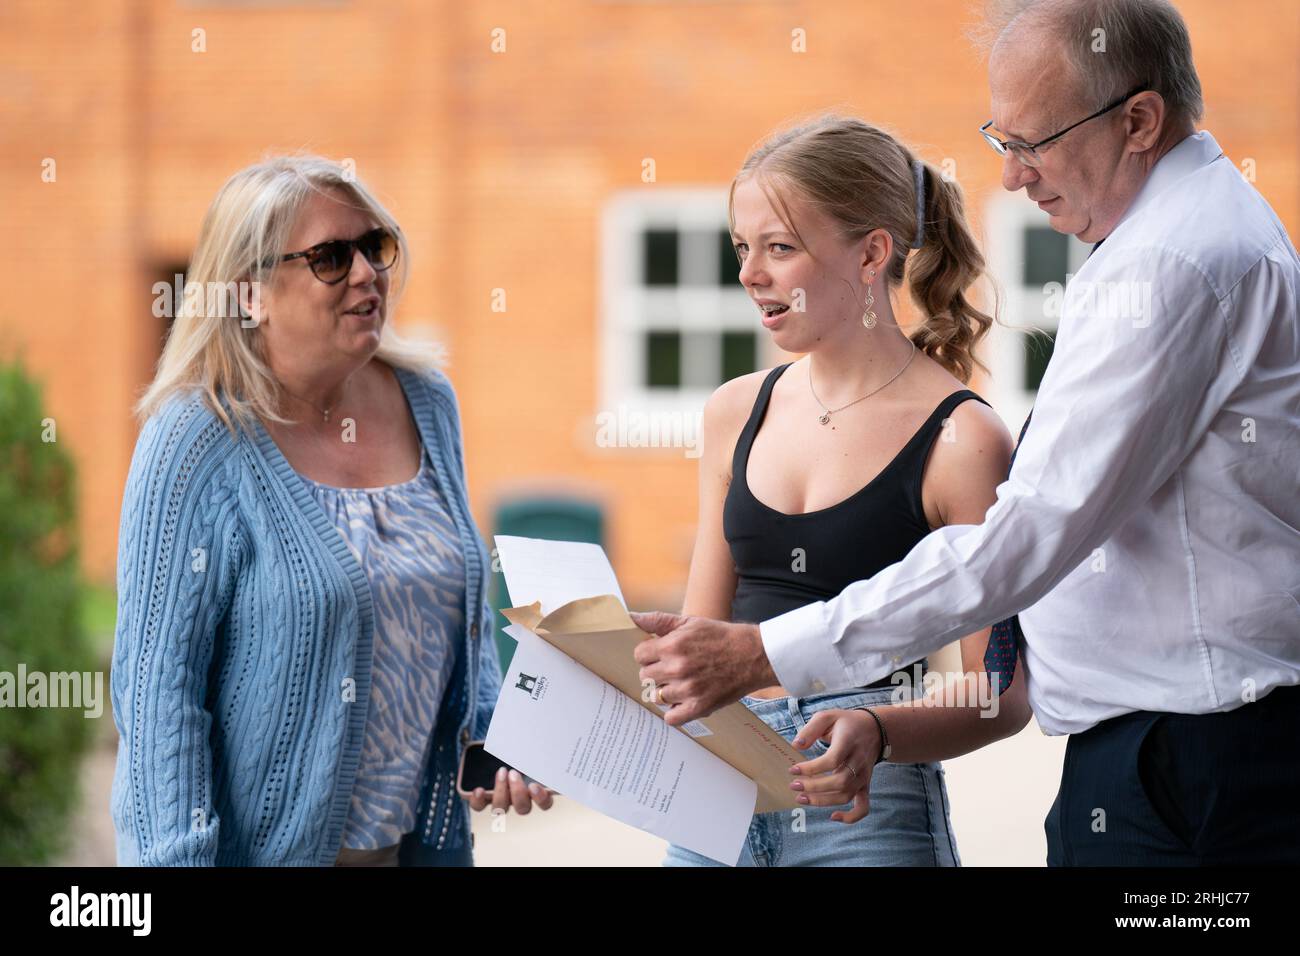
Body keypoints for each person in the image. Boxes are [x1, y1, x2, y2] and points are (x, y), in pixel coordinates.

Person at [633, 0, 1300, 866]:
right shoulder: (1160, 244)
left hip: (1191, 761)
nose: (1015, 177)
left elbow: (1031, 534)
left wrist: (771, 653)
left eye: (1034, 143)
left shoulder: (1171, 263)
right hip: (1172, 754)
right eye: (1002, 142)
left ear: (1139, 120)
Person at [110, 155, 551, 867]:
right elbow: (158, 693)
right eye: (329, 257)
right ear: (248, 294)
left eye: (374, 247)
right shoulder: (195, 439)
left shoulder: (426, 403)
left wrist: (495, 737)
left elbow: (450, 617)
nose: (365, 274)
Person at [637, 113, 1032, 867]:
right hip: (713, 798)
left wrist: (881, 731)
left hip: (865, 813)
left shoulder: (965, 440)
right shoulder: (732, 413)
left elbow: (1000, 694)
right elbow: (698, 640)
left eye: (780, 248)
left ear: (871, 253)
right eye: (742, 248)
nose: (751, 274)